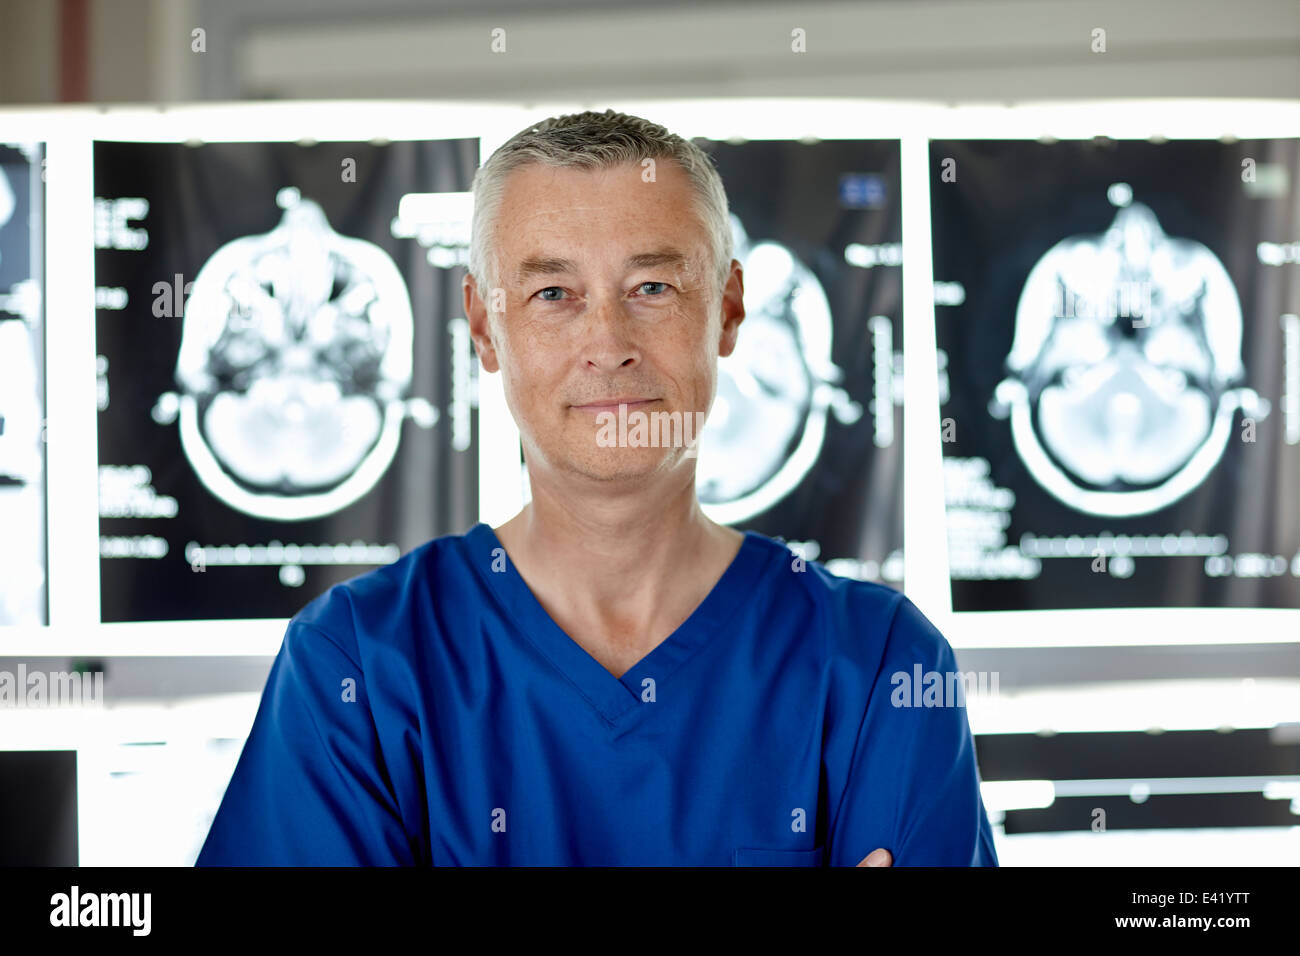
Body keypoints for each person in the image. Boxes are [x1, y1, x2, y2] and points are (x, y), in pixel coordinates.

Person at [196, 109, 999, 867]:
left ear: (727, 308)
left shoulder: (879, 667)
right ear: (484, 327)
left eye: (652, 287)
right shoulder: (358, 670)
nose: (607, 344)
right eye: (553, 294)